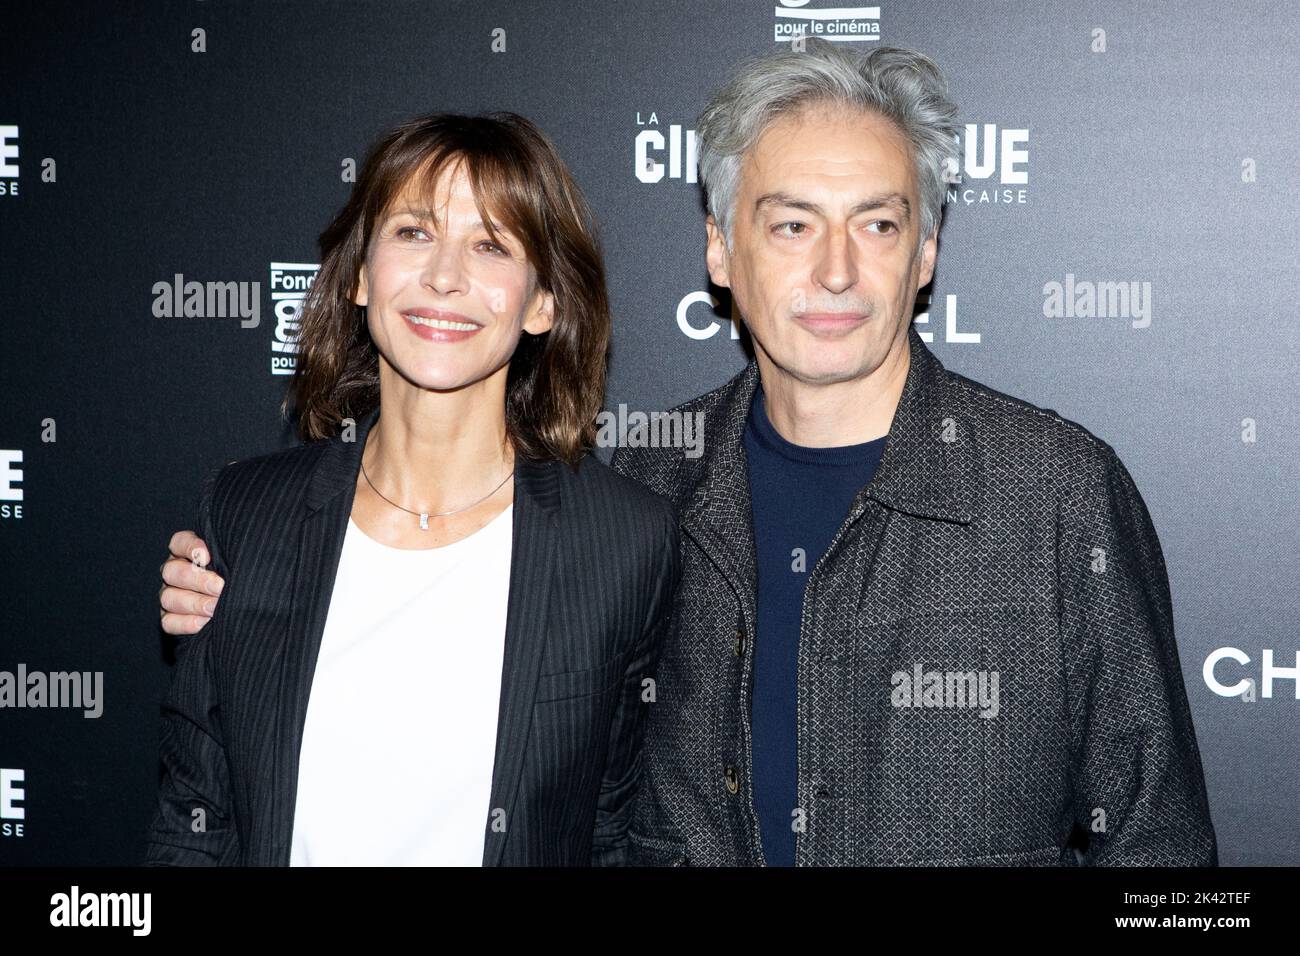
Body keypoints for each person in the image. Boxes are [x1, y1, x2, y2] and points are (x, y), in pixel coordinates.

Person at [162, 41, 1218, 867]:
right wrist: (239, 588)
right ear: (719, 248)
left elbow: (1159, 846)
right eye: (791, 224)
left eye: (880, 226)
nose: (836, 270)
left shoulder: (1056, 492)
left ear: (928, 249)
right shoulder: (643, 491)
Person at [147, 111, 679, 866]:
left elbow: (609, 838)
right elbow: (193, 824)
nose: (445, 276)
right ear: (361, 274)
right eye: (414, 233)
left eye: (491, 245)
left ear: (543, 302)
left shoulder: (625, 542)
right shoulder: (245, 516)